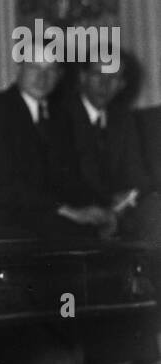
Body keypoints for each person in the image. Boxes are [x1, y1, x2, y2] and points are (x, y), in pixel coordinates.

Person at [0, 54, 117, 240]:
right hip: (2, 223)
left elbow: (68, 177)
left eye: (50, 70)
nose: (42, 77)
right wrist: (65, 210)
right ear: (19, 69)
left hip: (40, 217)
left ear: (60, 75)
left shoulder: (57, 117)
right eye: (34, 68)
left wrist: (100, 208)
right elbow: (4, 184)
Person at [48, 62, 161, 243]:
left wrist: (128, 196)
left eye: (113, 78)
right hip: (77, 212)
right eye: (97, 74)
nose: (104, 83)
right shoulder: (60, 115)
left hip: (118, 212)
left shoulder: (123, 119)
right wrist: (106, 203)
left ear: (122, 84)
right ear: (82, 77)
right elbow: (60, 183)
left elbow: (139, 177)